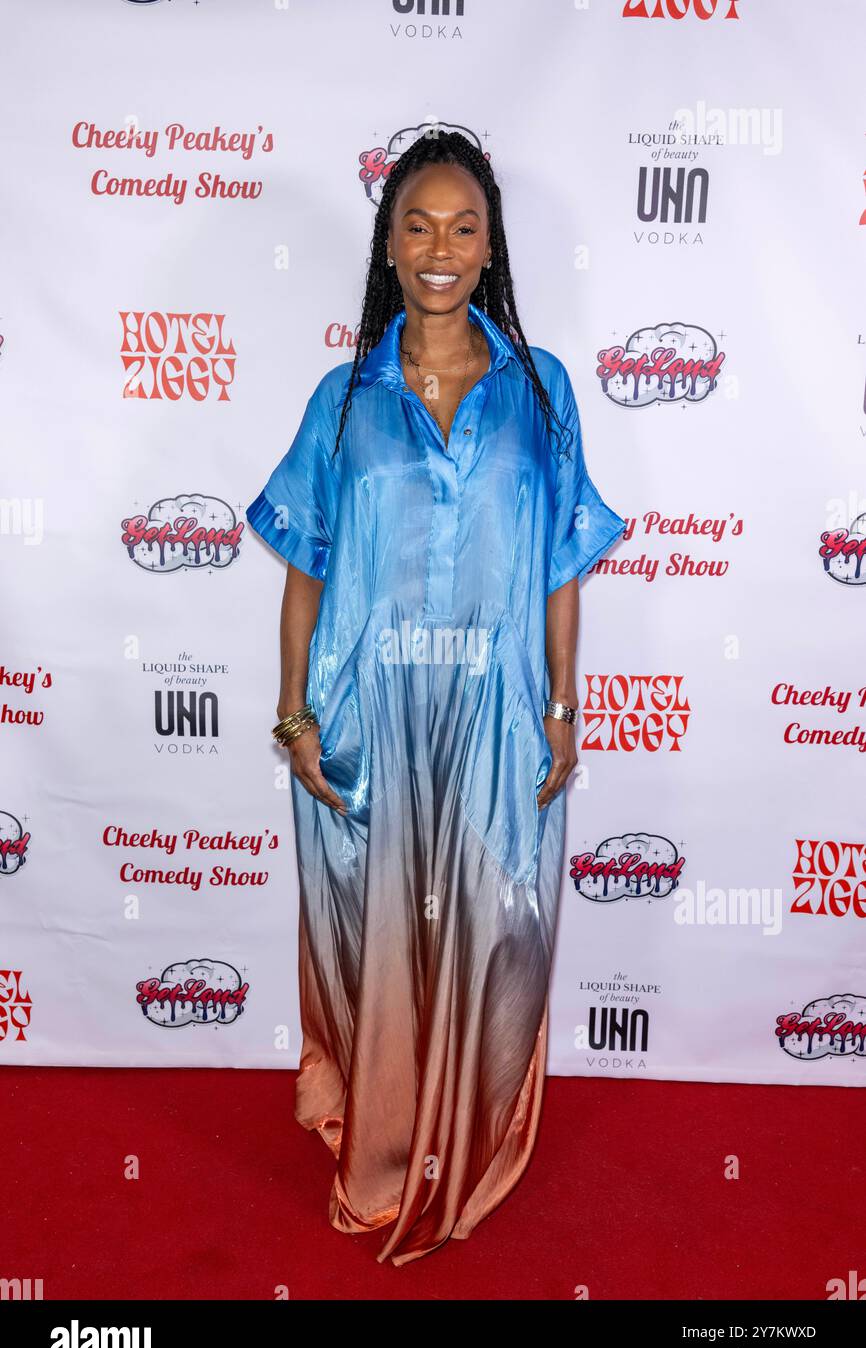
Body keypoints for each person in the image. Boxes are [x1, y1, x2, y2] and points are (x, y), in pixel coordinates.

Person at [246, 130, 626, 1266]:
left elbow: (560, 562)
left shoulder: (539, 387)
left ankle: (464, 1151)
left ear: (490, 242)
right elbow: (305, 568)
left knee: (496, 936)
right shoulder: (343, 396)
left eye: (463, 227)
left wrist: (563, 703)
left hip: (497, 714)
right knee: (374, 946)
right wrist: (293, 713)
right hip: (369, 718)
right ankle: (379, 1150)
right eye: (417, 226)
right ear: (388, 243)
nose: (440, 249)